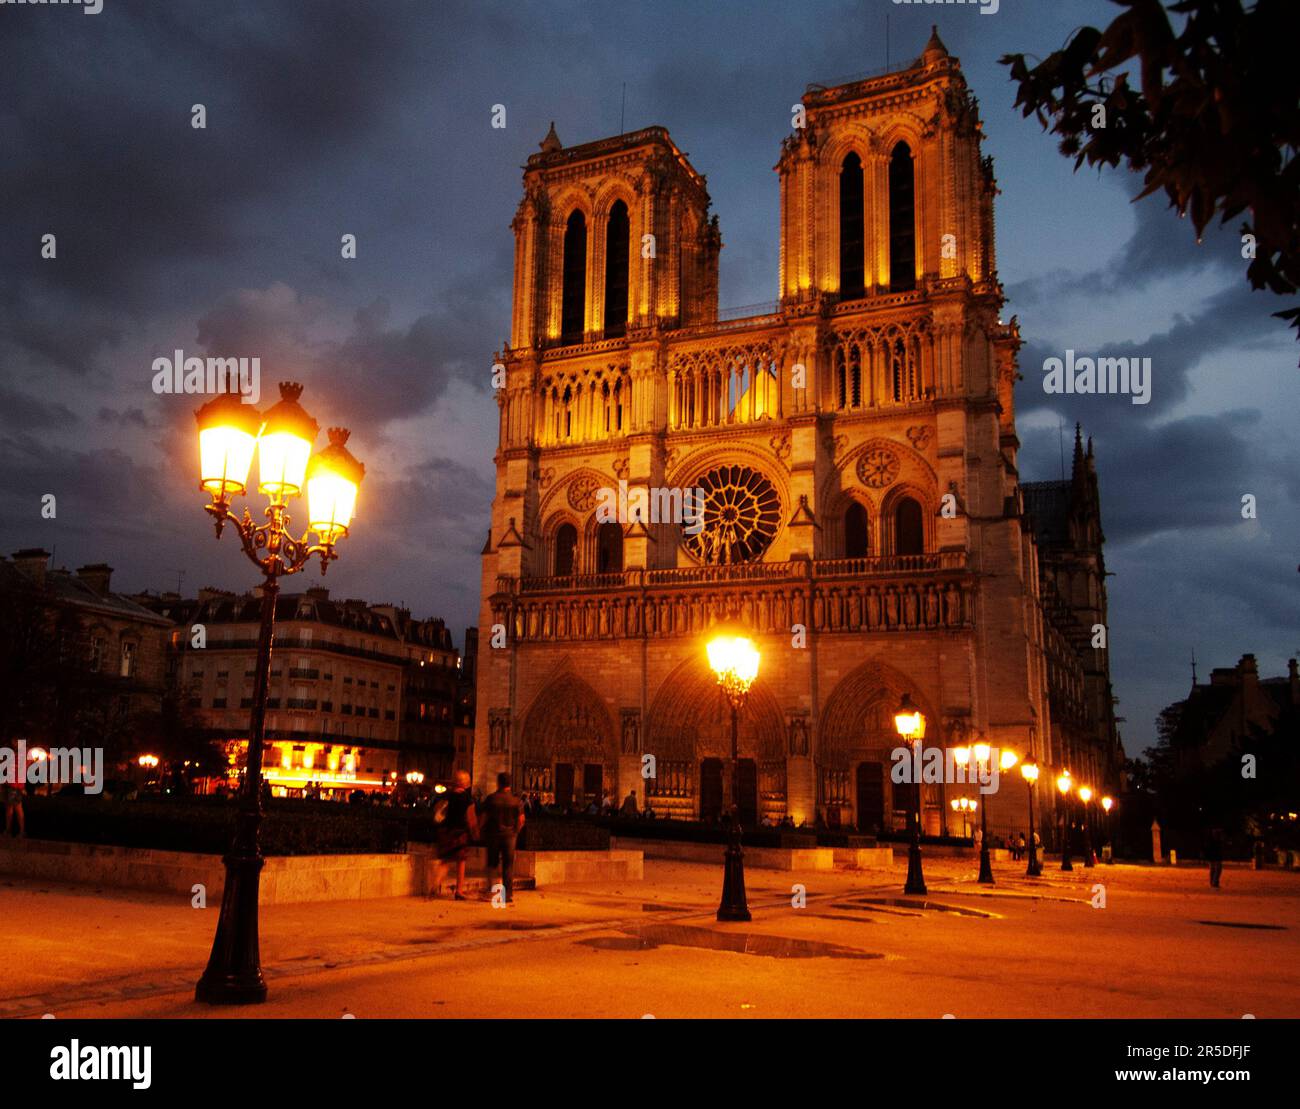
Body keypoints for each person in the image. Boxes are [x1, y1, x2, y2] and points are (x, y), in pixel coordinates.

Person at [433, 770, 478, 900]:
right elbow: (471, 818)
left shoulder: (446, 795)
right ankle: (459, 891)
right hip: (459, 832)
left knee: (445, 860)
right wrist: (475, 832)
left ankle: (435, 885)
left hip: (445, 831)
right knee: (461, 861)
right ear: (465, 783)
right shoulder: (467, 799)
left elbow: (438, 810)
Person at [481, 772, 525, 904]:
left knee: (492, 865)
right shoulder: (516, 801)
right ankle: (507, 895)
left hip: (494, 835)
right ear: (509, 784)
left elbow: (484, 817)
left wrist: (479, 829)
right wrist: (515, 831)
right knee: (508, 866)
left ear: (498, 783)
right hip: (510, 836)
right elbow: (521, 820)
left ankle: (492, 892)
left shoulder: (491, 799)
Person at [2, 775, 24, 839]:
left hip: (15, 784)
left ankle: (21, 831)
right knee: (9, 807)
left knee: (17, 807)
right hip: (9, 783)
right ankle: (8, 830)